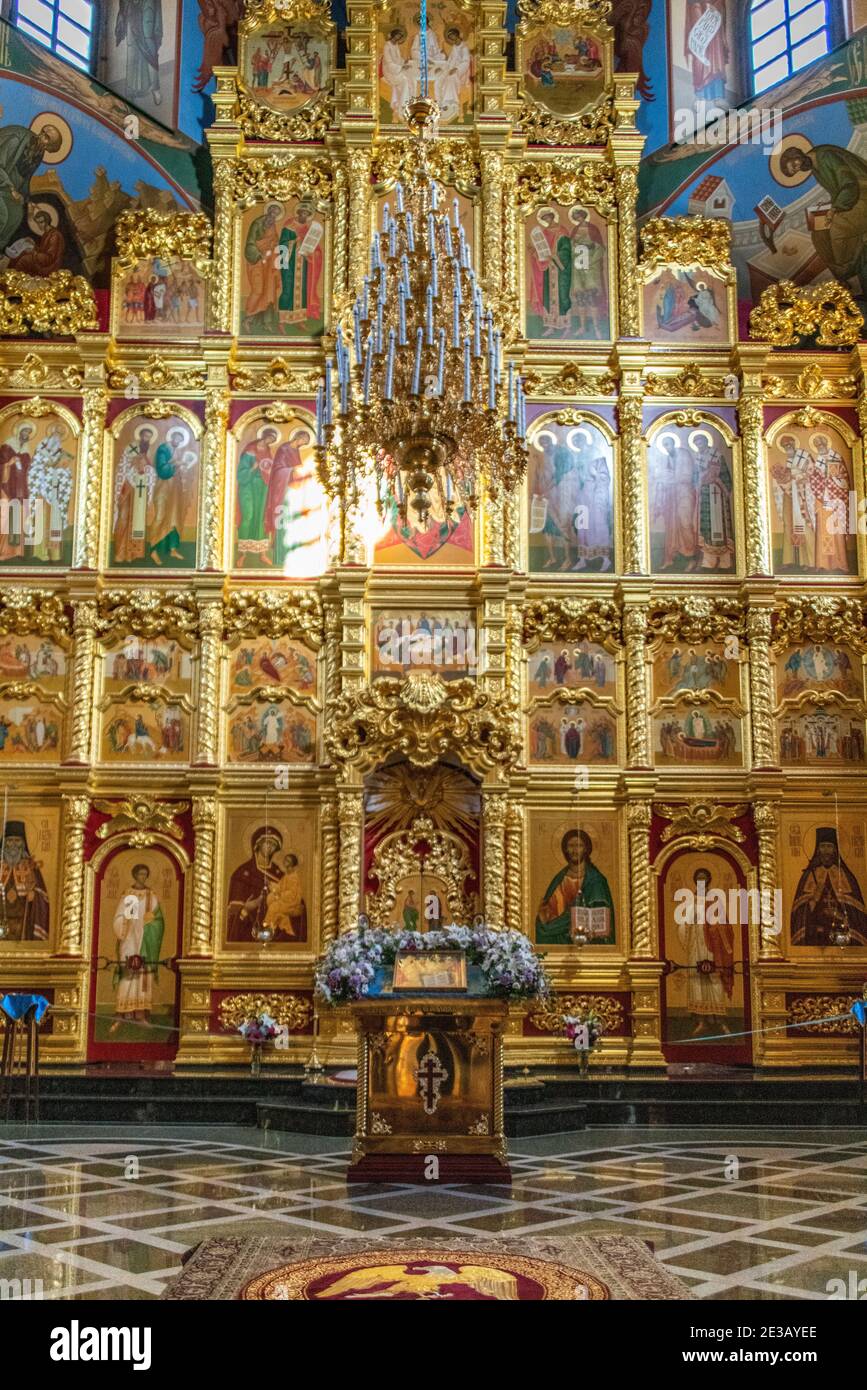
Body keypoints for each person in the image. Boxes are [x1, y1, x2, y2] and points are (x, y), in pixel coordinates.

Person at [677, 867, 734, 1037]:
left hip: (712, 946)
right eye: (698, 879)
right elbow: (683, 924)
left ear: (708, 881)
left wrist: (715, 927)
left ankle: (720, 1020)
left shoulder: (715, 900)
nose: (701, 882)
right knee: (697, 979)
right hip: (695, 945)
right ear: (695, 881)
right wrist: (687, 926)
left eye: (704, 879)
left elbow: (725, 926)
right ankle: (701, 1021)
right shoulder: (691, 901)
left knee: (714, 977)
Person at [109, 863, 165, 1033]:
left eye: (145, 874)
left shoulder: (150, 896)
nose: (143, 877)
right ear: (134, 875)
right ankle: (122, 1014)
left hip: (146, 942)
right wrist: (128, 930)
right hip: (131, 941)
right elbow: (126, 919)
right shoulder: (131, 895)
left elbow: (158, 922)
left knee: (143, 978)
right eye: (140, 874)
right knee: (128, 975)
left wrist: (151, 923)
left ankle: (140, 1015)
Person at [226, 826, 307, 942]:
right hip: (248, 933)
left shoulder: (279, 873)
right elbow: (232, 914)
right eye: (266, 842)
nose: (270, 847)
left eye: (273, 844)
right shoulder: (243, 873)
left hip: (278, 934)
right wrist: (247, 908)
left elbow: (294, 898)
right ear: (257, 845)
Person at [535, 828, 615, 945]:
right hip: (559, 934)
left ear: (586, 849)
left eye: (579, 846)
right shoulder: (560, 878)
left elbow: (601, 914)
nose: (574, 850)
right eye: (571, 846)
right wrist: (544, 916)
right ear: (565, 849)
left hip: (587, 936)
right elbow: (550, 911)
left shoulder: (596, 880)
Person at [790, 827, 867, 947]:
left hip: (841, 932)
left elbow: (856, 913)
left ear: (835, 850)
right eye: (823, 846)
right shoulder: (810, 874)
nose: (826, 851)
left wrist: (841, 915)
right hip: (816, 933)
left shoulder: (845, 876)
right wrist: (814, 899)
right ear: (818, 850)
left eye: (829, 847)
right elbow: (799, 912)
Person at [0, 122, 63, 253]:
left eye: (47, 142)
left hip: (7, 189)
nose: (42, 139)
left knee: (17, 215)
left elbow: (25, 178)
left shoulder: (38, 154)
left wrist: (26, 199)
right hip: (2, 180)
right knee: (3, 215)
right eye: (43, 134)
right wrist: (11, 188)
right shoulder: (17, 137)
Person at [771, 434, 816, 570]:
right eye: (785, 446)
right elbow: (788, 475)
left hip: (802, 495)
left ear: (793, 443)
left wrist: (795, 475)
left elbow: (811, 473)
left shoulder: (804, 456)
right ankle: (788, 560)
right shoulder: (789, 460)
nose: (787, 448)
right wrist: (781, 477)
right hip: (790, 495)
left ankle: (810, 561)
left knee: (804, 525)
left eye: (789, 445)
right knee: (788, 524)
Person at [149, 427, 194, 565]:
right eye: (177, 439)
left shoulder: (178, 452)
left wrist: (183, 469)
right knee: (160, 516)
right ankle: (153, 550)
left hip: (175, 490)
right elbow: (162, 469)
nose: (178, 442)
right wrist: (175, 464)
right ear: (172, 437)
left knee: (175, 518)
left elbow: (179, 473)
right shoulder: (164, 449)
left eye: (180, 441)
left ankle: (173, 549)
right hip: (163, 487)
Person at [236, 426, 279, 566]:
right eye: (269, 438)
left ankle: (263, 553)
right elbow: (240, 474)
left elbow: (269, 469)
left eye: (272, 440)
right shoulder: (250, 451)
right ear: (264, 436)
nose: (270, 441)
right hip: (248, 487)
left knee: (262, 517)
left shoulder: (267, 452)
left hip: (263, 488)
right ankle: (242, 554)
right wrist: (253, 468)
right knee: (247, 516)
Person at [0, 819, 49, 941]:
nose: (13, 845)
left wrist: (34, 895)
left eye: (17, 841)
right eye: (10, 841)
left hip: (22, 925)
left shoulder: (31, 867)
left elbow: (43, 897)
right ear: (4, 843)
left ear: (23, 844)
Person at [115, 0, 164, 108]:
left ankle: (155, 88)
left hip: (148, 12)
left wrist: (158, 31)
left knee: (151, 53)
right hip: (132, 15)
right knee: (132, 55)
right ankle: (130, 92)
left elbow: (157, 10)